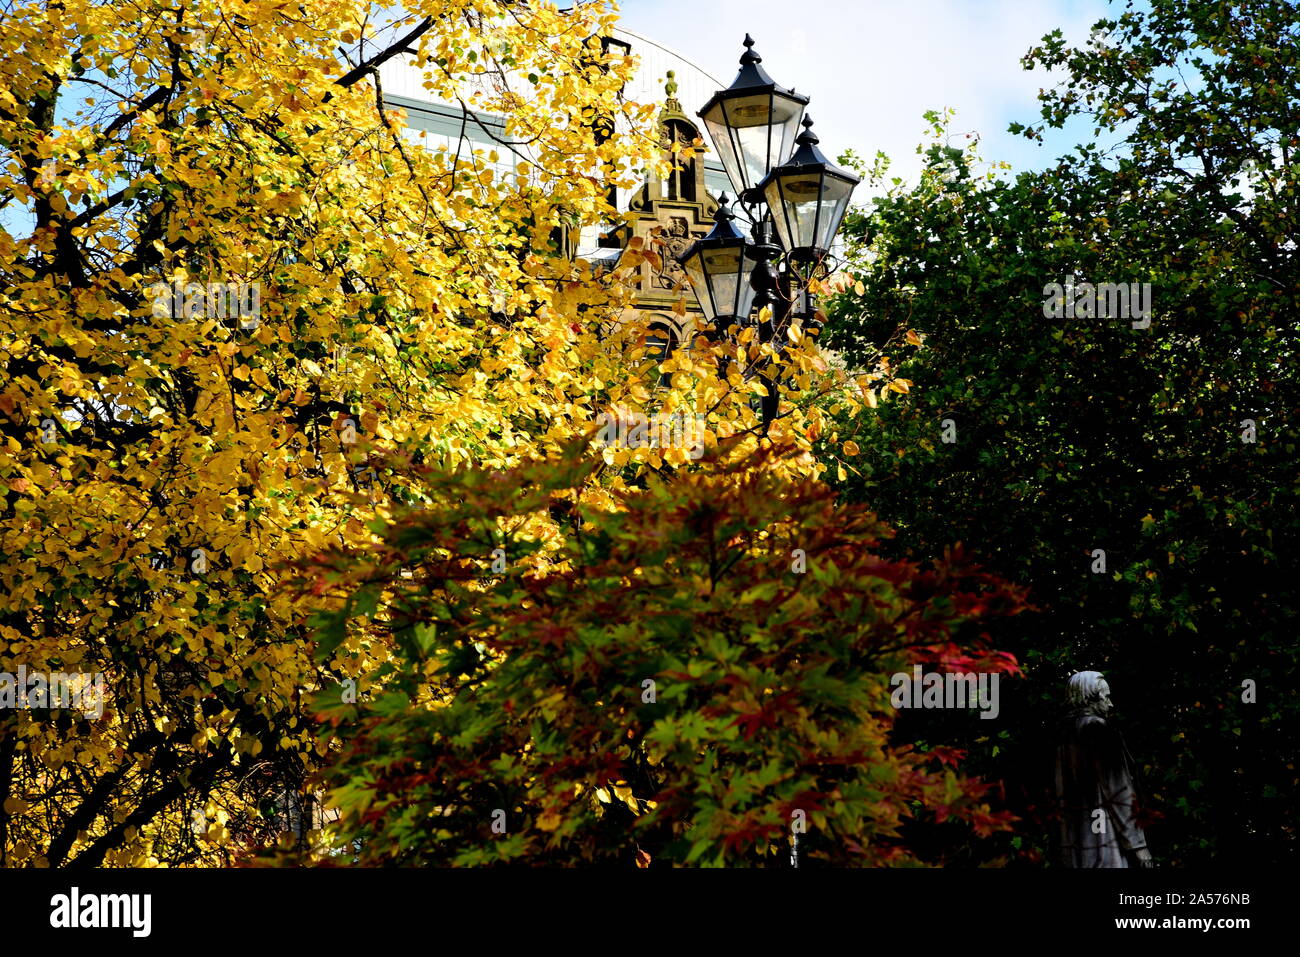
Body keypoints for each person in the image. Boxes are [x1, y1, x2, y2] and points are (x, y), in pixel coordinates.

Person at [1054, 671, 1154, 867]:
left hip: (1072, 846)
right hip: (1106, 842)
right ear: (1090, 698)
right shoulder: (1099, 730)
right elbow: (1119, 791)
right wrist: (1138, 846)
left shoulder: (1061, 736)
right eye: (1106, 697)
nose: (1110, 704)